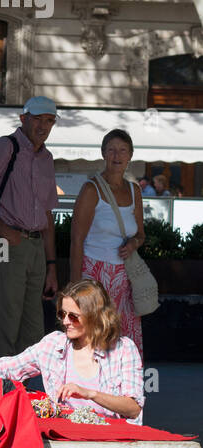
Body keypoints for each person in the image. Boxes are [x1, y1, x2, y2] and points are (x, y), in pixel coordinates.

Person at [0, 95, 59, 358]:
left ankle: (24, 392)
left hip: (36, 245)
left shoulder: (46, 158)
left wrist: (52, 267)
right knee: (6, 320)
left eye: (49, 121)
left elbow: (47, 215)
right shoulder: (5, 147)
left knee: (34, 327)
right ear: (23, 119)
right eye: (37, 119)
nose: (43, 126)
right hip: (4, 242)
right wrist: (4, 230)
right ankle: (1, 387)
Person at [0, 278, 144, 424]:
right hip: (66, 437)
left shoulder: (123, 349)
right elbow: (6, 368)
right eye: (62, 314)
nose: (65, 321)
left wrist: (89, 394)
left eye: (73, 316)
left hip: (111, 440)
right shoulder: (53, 344)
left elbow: (133, 409)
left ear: (95, 316)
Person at [69, 128, 146, 356]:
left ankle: (123, 389)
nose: (117, 155)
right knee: (94, 337)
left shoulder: (135, 191)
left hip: (126, 278)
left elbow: (141, 234)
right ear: (103, 154)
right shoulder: (91, 189)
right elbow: (76, 240)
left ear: (130, 155)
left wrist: (133, 244)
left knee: (124, 339)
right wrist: (73, 289)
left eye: (122, 150)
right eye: (111, 150)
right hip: (94, 275)